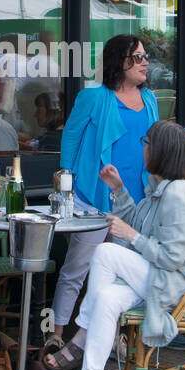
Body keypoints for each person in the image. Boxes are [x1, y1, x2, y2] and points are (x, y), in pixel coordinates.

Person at [45, 121, 185, 370]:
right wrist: (119, 190)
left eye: (146, 142)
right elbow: (139, 221)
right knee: (107, 298)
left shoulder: (179, 195)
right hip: (159, 279)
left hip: (181, 287)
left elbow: (171, 258)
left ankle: (80, 337)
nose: (143, 148)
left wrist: (132, 237)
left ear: (160, 150)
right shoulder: (161, 188)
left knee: (108, 253)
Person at [52, 34, 159, 336]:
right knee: (76, 271)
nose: (145, 62)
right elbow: (71, 136)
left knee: (120, 275)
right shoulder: (94, 97)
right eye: (137, 57)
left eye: (145, 56)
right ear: (119, 61)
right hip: (93, 199)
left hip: (133, 201)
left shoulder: (149, 98)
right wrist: (66, 182)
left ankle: (112, 338)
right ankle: (57, 336)